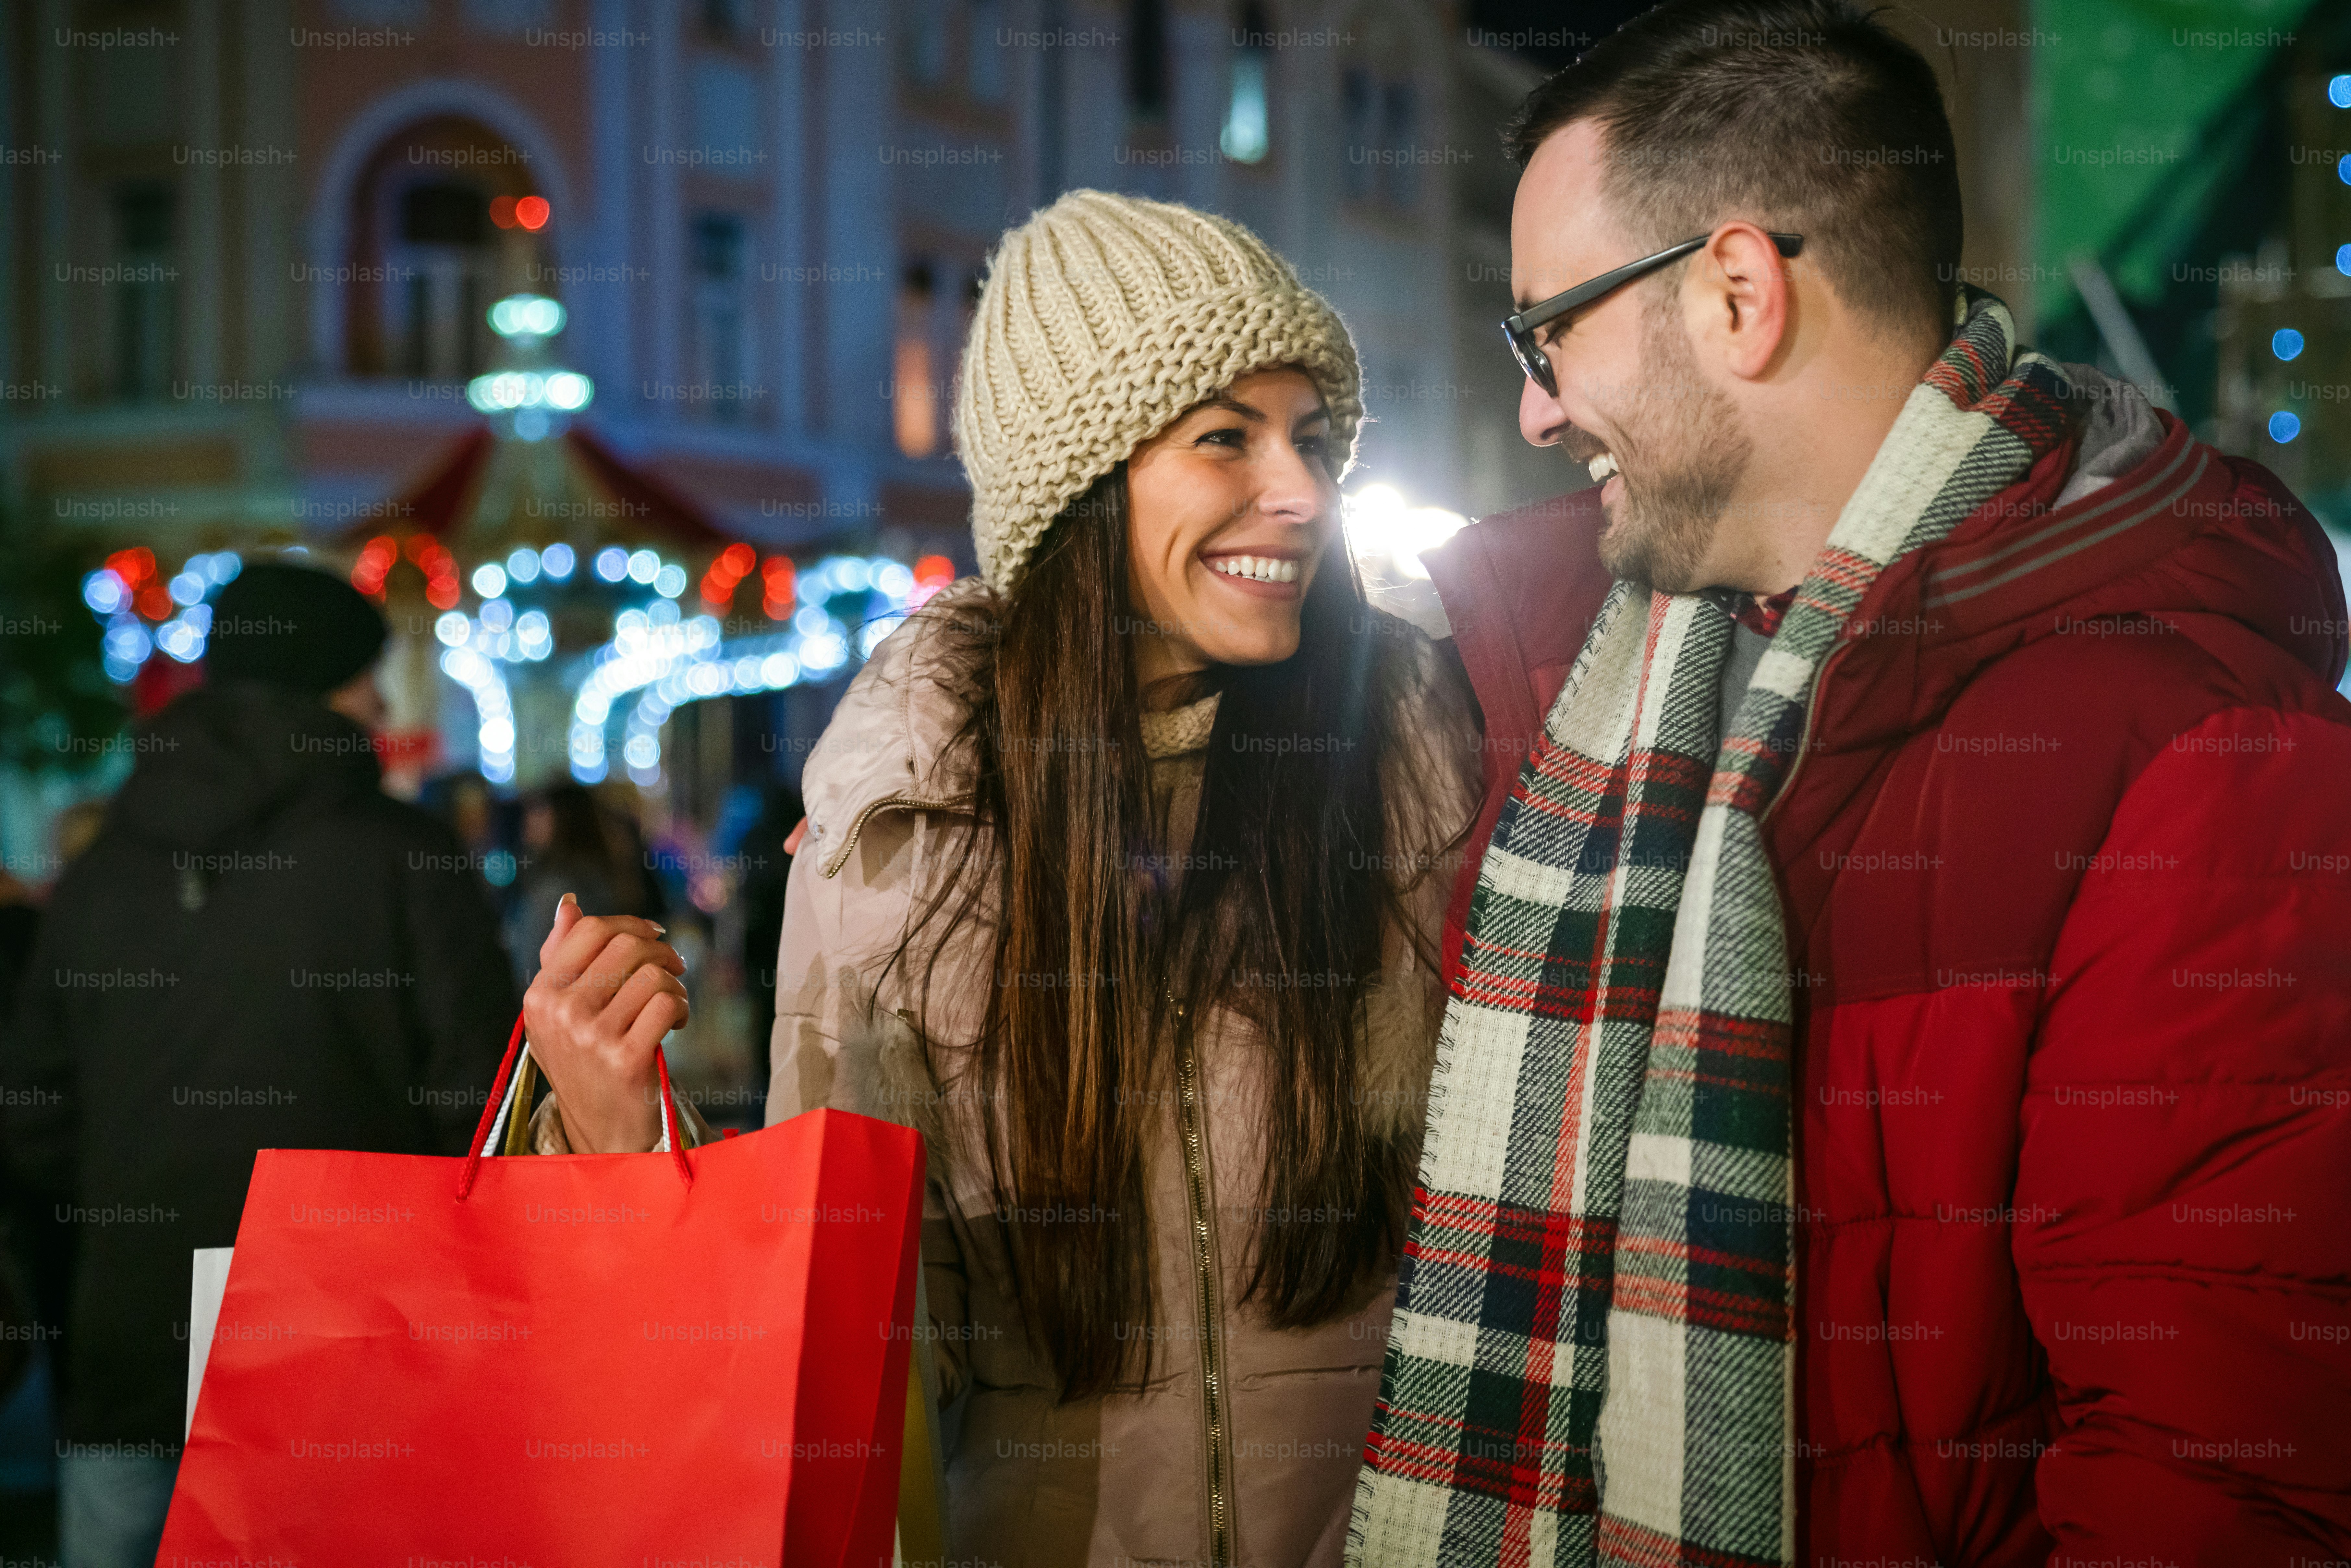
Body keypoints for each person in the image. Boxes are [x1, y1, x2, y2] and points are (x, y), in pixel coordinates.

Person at [1351, 3, 2351, 1565]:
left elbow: (2213, 1488)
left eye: (1550, 333)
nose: (1539, 408)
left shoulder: (2206, 765)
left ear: (1739, 293)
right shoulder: (1593, 664)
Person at [520, 190, 1482, 1566]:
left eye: (1316, 440)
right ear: (1081, 485)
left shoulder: (1415, 757)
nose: (1304, 493)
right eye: (1227, 438)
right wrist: (618, 1143)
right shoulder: (905, 828)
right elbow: (838, 1324)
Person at [1, 562, 518, 1568]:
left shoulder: (104, 872)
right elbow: (482, 1102)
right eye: (368, 674)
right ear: (324, 680)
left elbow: (32, 1109)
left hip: (128, 1341)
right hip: (347, 1341)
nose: (380, 701)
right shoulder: (401, 857)